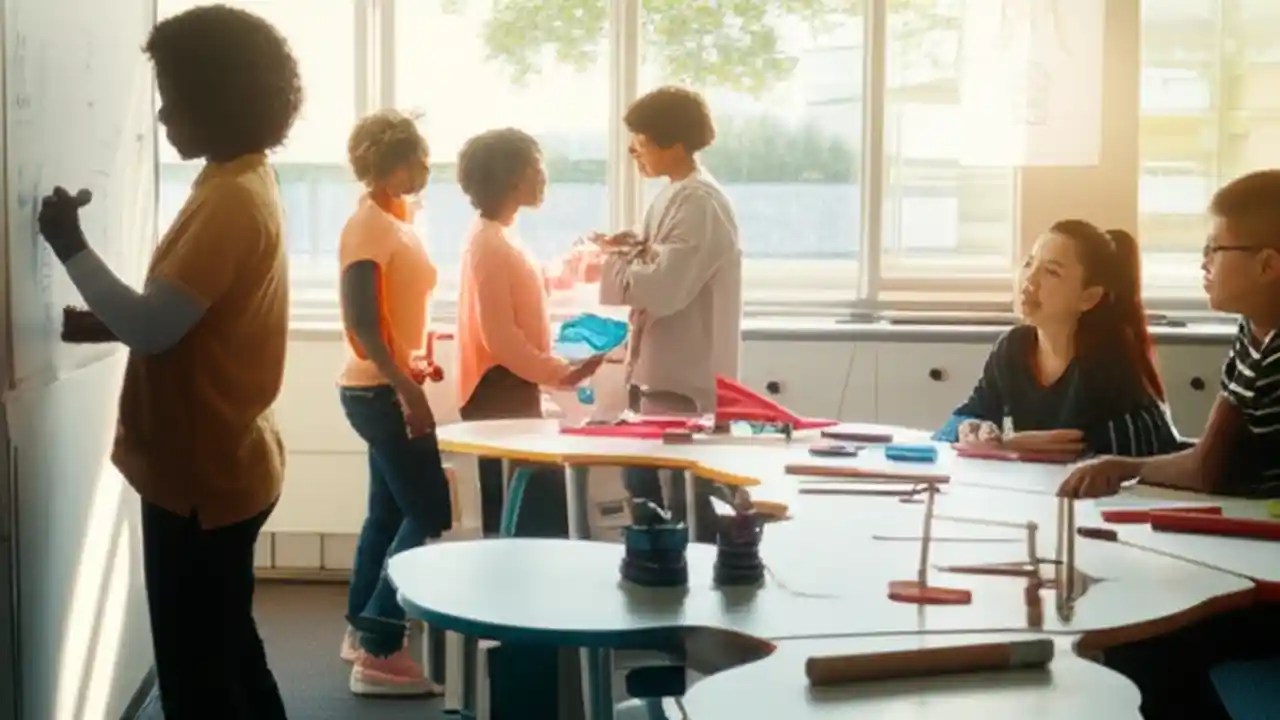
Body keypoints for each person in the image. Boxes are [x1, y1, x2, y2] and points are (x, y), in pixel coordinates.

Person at [37, 6, 300, 717]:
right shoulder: (242, 179)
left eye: (175, 97)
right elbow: (189, 318)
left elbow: (155, 328)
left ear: (216, 101)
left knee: (197, 675)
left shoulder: (228, 202)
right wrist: (109, 320)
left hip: (201, 478)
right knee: (229, 646)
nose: (160, 117)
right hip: (231, 461)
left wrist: (69, 245)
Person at [1058, 171, 1280, 719]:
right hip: (1252, 548)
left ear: (1268, 264)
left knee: (1143, 638)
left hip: (1267, 569)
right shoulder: (1255, 335)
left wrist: (1127, 465)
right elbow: (1214, 455)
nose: (1202, 263)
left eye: (1215, 249)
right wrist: (1131, 468)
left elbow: (1208, 468)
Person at [594, 86, 742, 542]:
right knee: (646, 497)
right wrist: (632, 248)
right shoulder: (675, 195)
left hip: (685, 385)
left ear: (672, 142)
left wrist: (619, 260)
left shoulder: (699, 201)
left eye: (640, 138)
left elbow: (663, 288)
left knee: (688, 509)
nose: (633, 149)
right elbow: (656, 263)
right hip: (657, 378)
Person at [336, 109, 451, 695]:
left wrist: (413, 363)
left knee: (388, 512)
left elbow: (392, 316)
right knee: (430, 513)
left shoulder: (396, 220)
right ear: (391, 164)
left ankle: (362, 630)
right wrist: (407, 390)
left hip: (380, 385)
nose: (427, 167)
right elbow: (360, 325)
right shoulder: (370, 226)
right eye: (419, 158)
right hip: (378, 392)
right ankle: (380, 649)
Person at [454, 128, 602, 537]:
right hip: (497, 390)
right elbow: (499, 337)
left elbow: (529, 289)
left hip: (510, 388)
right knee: (519, 514)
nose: (544, 178)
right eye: (538, 167)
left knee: (528, 507)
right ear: (513, 178)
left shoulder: (502, 237)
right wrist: (558, 372)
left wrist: (576, 265)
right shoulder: (489, 244)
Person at [935, 219, 1181, 459]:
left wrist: (1013, 444)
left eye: (1051, 272)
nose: (1030, 280)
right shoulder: (1013, 347)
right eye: (1030, 263)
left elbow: (1138, 448)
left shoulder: (1108, 358)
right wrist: (967, 429)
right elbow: (960, 419)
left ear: (1088, 297)